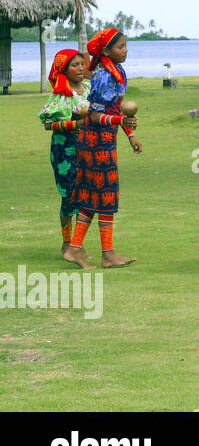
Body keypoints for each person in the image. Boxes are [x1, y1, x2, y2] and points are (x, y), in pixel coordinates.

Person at [69, 28, 141, 269]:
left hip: (105, 140)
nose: (126, 50)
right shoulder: (102, 76)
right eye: (120, 47)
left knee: (97, 195)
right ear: (107, 51)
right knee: (104, 195)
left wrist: (130, 135)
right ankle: (102, 253)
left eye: (126, 45)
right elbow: (97, 115)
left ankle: (79, 248)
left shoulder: (117, 71)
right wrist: (121, 121)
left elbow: (116, 110)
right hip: (94, 142)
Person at [38, 49, 90, 265]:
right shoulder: (61, 93)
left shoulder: (88, 88)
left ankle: (76, 245)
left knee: (86, 194)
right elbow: (48, 123)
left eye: (81, 64)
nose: (80, 68)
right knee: (69, 195)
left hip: (87, 148)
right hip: (64, 150)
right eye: (74, 65)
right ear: (64, 69)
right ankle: (67, 244)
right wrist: (74, 124)